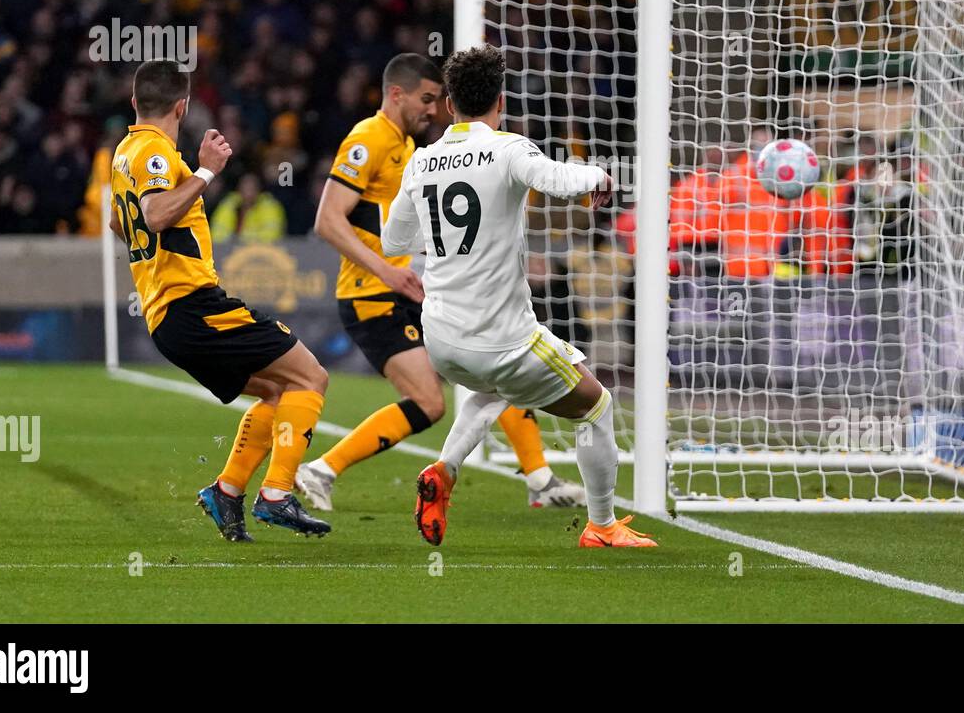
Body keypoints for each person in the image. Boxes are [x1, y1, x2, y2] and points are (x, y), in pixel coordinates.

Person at [380, 45, 657, 549]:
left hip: (440, 339)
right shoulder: (507, 148)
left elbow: (393, 243)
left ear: (448, 106)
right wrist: (597, 176)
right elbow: (555, 179)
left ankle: (444, 470)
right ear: (500, 101)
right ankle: (601, 526)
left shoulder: (421, 162)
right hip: (501, 338)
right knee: (597, 405)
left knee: (494, 386)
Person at [298, 54, 586, 510]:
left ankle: (540, 479)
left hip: (411, 290)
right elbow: (328, 221)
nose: (433, 110)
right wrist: (388, 270)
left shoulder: (411, 152)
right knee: (430, 402)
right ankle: (320, 470)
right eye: (426, 99)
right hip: (373, 295)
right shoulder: (369, 138)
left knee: (496, 365)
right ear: (396, 94)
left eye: (438, 101)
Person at [110, 60, 330, 540]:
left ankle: (227, 491)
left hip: (167, 318)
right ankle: (277, 493)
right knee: (311, 376)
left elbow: (118, 224)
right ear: (183, 107)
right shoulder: (154, 153)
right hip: (193, 306)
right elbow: (153, 215)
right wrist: (207, 171)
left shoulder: (123, 153)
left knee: (278, 391)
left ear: (134, 103)